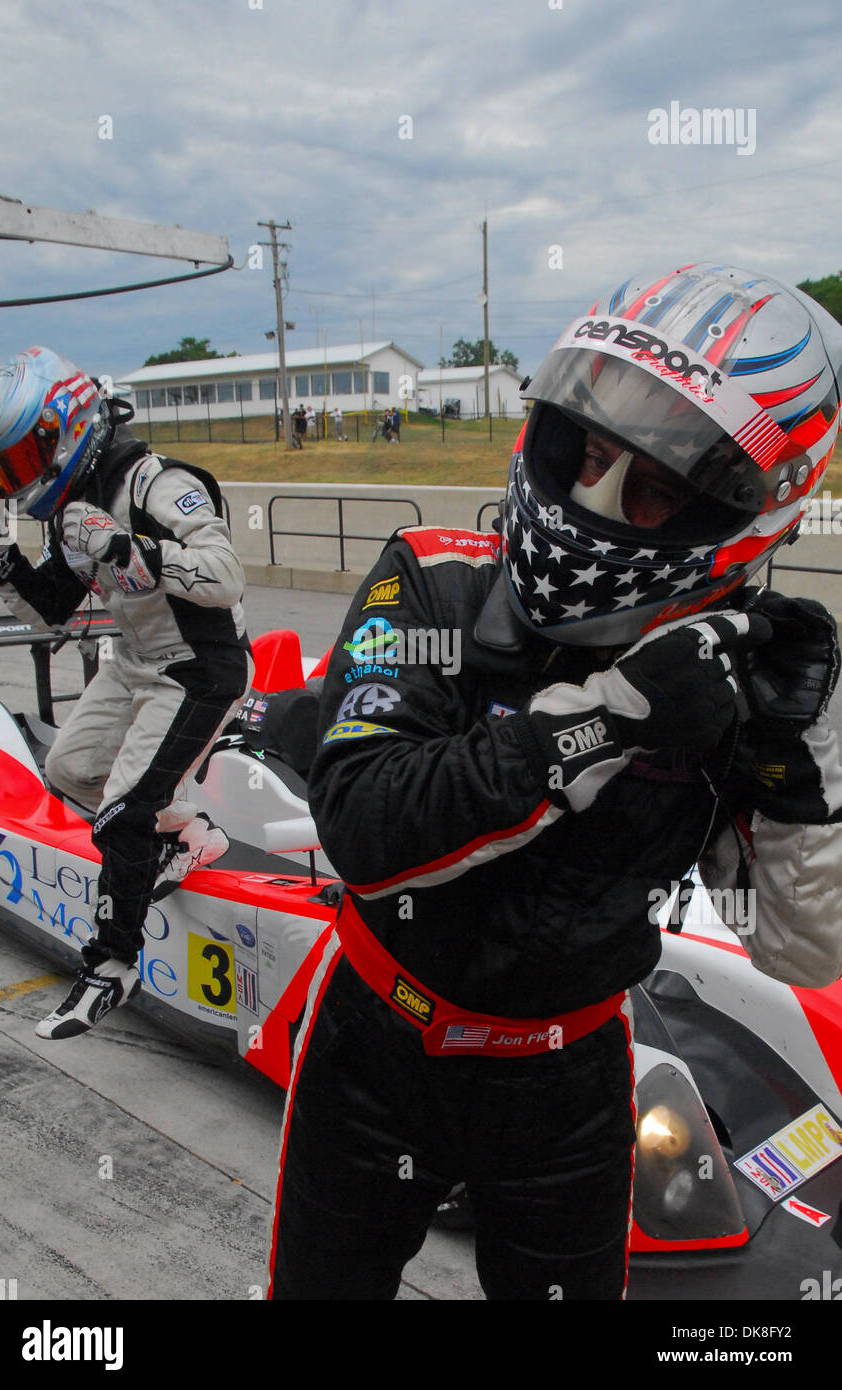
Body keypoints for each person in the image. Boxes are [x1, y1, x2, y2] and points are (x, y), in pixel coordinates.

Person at [265, 263, 842, 1299]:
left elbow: (803, 948)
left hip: (566, 1077)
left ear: (748, 515)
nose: (590, 495)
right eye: (582, 447)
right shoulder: (433, 573)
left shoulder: (738, 676)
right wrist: (611, 716)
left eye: (656, 483)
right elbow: (363, 821)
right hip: (376, 1041)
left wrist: (798, 767)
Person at [0, 347, 254, 1039]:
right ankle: (190, 832)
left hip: (199, 664)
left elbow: (226, 575)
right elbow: (51, 613)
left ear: (63, 428)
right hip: (133, 660)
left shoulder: (159, 485)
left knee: (124, 814)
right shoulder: (73, 503)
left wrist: (131, 550)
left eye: (17, 461)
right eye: (2, 469)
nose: (15, 481)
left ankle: (113, 966)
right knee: (68, 771)